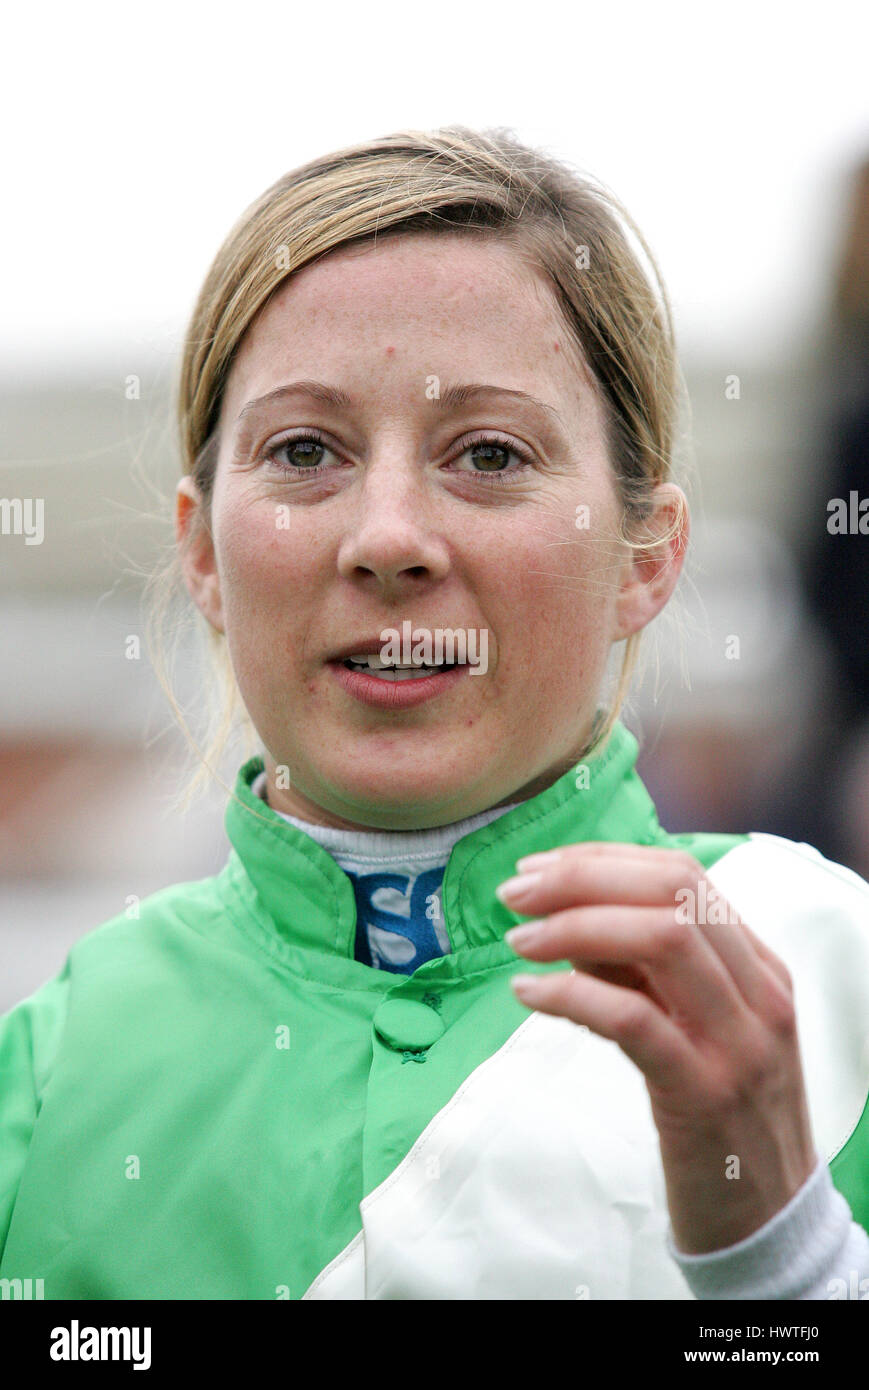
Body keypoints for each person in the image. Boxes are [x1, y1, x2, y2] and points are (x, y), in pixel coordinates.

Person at [1, 126, 867, 1302]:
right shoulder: (49, 1066)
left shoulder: (831, 979)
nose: (390, 538)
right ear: (201, 550)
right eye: (304, 449)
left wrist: (787, 1267)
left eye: (490, 453)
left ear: (644, 554)